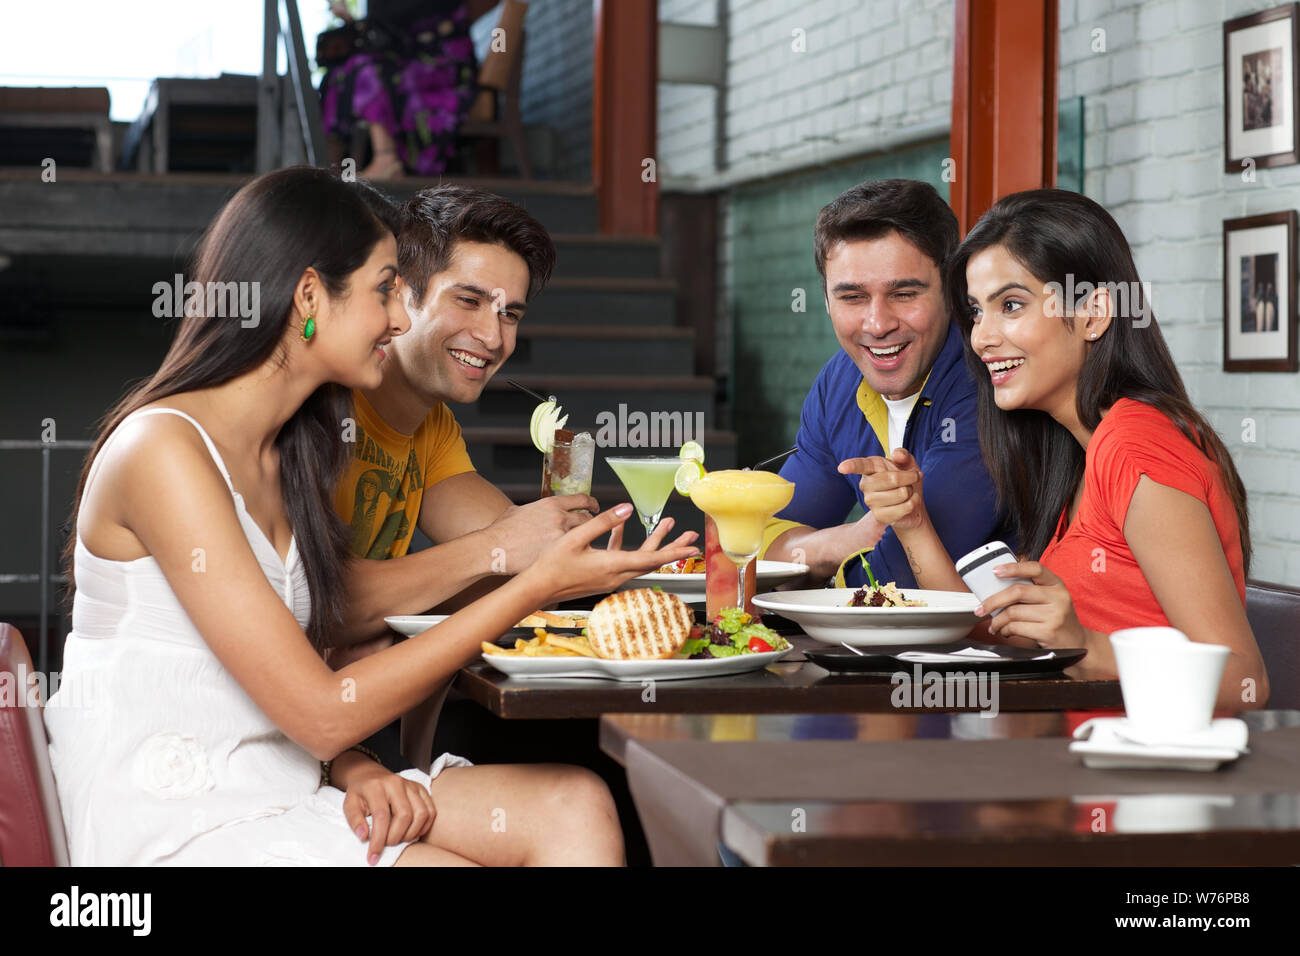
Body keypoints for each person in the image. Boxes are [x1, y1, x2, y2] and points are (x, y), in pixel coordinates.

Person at [45, 166, 698, 866]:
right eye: (387, 289)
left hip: (290, 773)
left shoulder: (292, 446)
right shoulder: (163, 450)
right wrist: (529, 583)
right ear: (308, 296)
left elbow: (296, 669)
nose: (397, 316)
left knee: (577, 805)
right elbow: (323, 707)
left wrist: (352, 763)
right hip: (179, 816)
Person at [850, 188, 1269, 711]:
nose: (982, 338)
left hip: (1124, 780)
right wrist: (912, 519)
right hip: (1060, 761)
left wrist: (1084, 646)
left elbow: (1242, 681)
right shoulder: (1077, 453)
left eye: (1011, 305)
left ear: (1094, 314)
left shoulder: (1136, 445)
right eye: (977, 312)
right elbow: (997, 632)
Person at [762, 179, 1014, 588]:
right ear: (826, 300)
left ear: (951, 292)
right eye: (852, 297)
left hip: (989, 648)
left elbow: (899, 579)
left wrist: (810, 563)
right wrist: (849, 539)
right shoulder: (838, 383)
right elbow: (759, 544)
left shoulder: (988, 380)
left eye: (903, 293)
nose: (878, 325)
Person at [320, 0, 481, 178]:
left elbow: (396, 17)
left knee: (367, 70)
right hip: (404, 55)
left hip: (442, 63)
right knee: (335, 77)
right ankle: (329, 172)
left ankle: (386, 158)